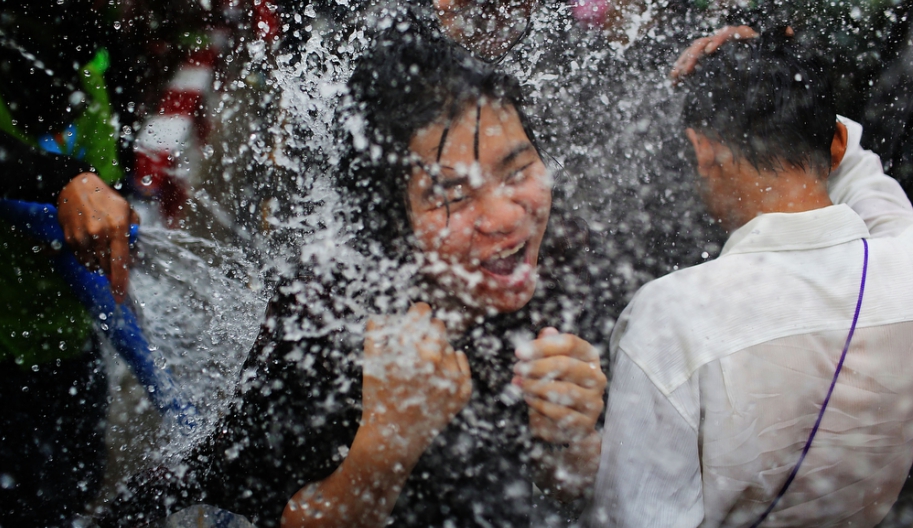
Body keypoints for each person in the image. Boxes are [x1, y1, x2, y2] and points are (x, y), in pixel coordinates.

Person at [100, 16, 606, 528]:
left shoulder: (563, 261)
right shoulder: (327, 317)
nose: (506, 218)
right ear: (391, 221)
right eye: (453, 194)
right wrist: (386, 444)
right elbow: (262, 510)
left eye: (518, 170)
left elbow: (568, 491)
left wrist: (568, 439)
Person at [582, 27, 913, 527]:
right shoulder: (904, 262)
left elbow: (634, 517)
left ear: (702, 151)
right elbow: (857, 164)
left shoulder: (672, 315)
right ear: (836, 142)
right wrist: (787, 85)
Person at [0, 2, 137, 524]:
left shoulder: (83, 71)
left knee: (73, 496)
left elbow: (110, 184)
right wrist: (56, 189)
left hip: (68, 340)